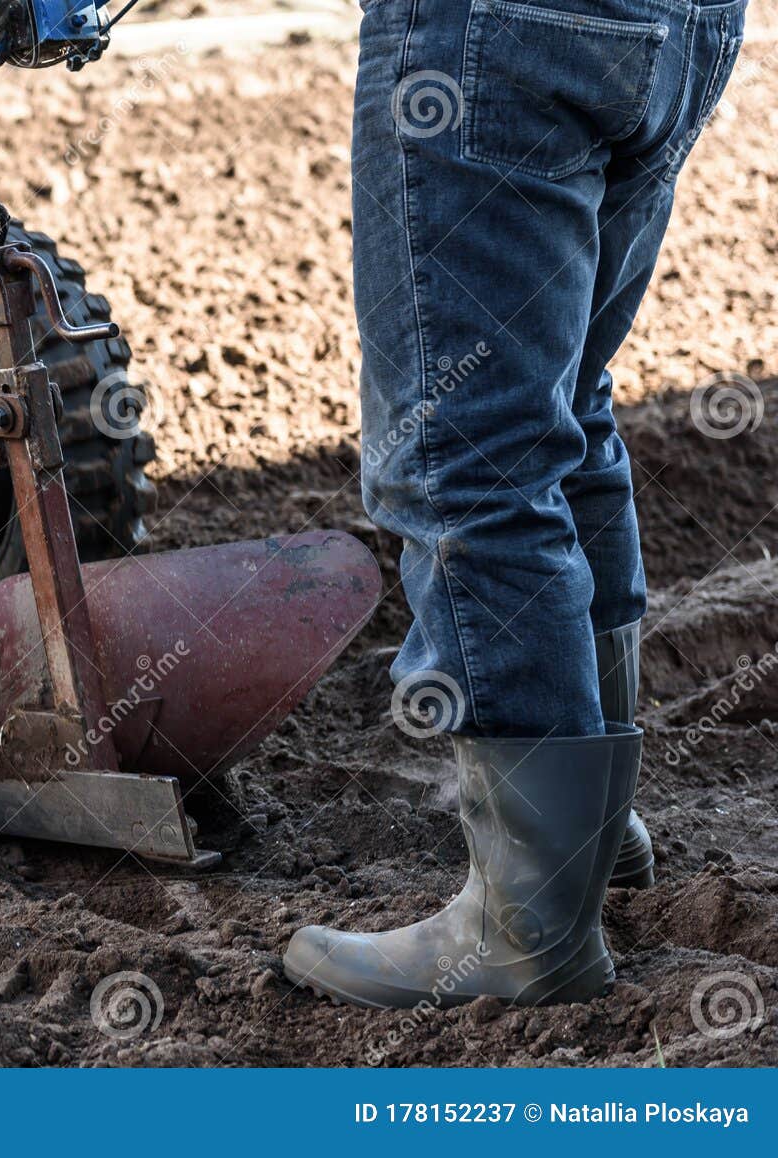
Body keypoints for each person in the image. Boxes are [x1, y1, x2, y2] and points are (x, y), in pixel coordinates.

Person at [284, 0, 747, 1008]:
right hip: (678, 23)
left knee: (464, 456)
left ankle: (527, 928)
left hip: (498, 28)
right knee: (560, 403)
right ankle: (592, 834)